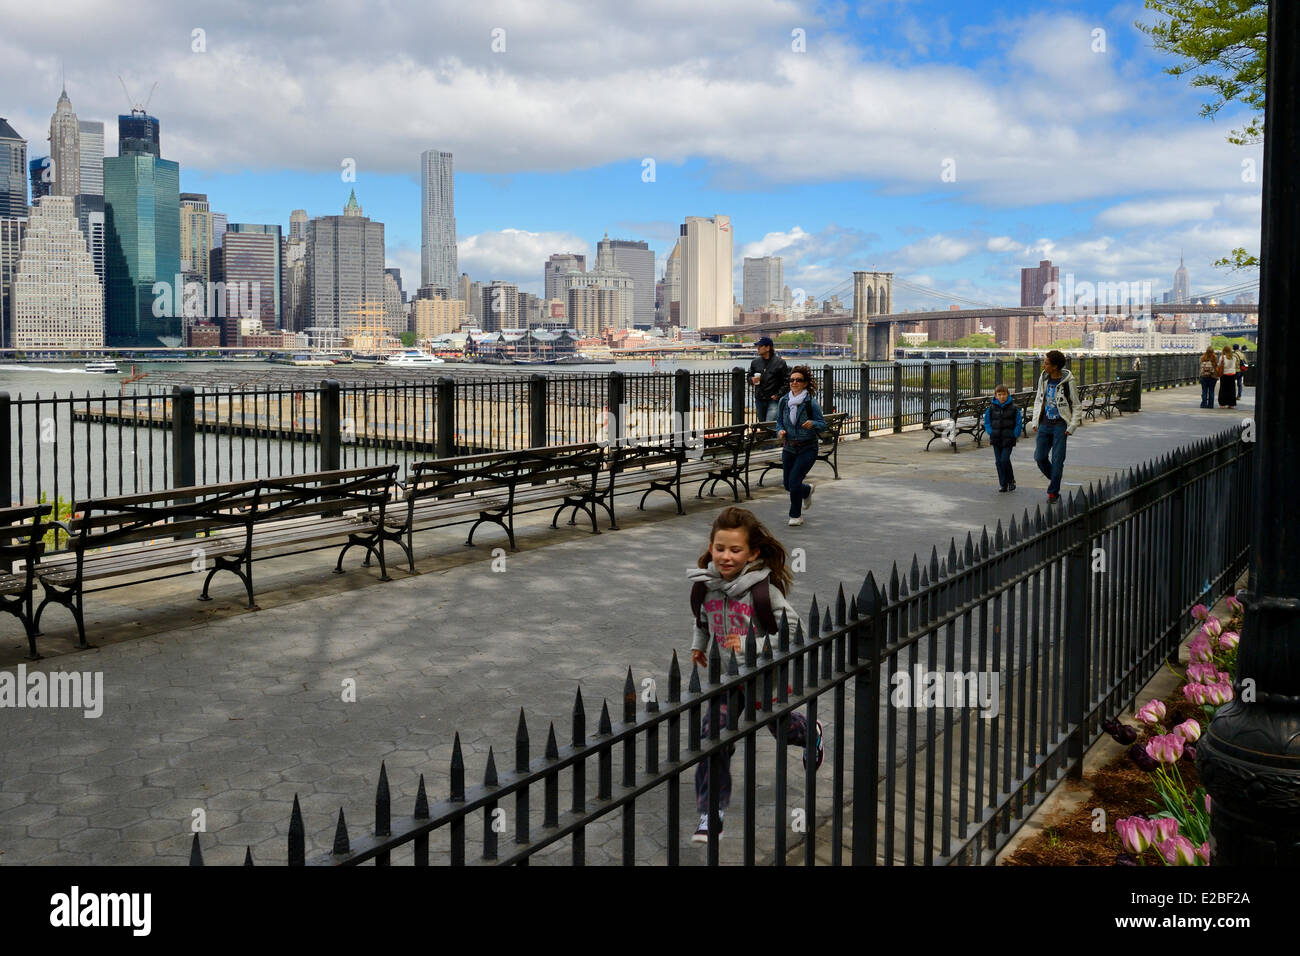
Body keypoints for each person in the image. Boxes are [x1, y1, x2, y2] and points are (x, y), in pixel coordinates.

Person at [687, 507, 823, 843]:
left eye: (735, 550)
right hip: (727, 681)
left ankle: (810, 733)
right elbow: (702, 620)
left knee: (781, 728)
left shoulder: (764, 591)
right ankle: (711, 813)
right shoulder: (707, 586)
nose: (726, 557)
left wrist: (756, 644)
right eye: (720, 548)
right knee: (713, 736)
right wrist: (698, 645)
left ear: (753, 553)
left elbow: (796, 628)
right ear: (711, 546)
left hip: (764, 680)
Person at [1025, 350, 1083, 505]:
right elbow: (1039, 400)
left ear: (1055, 366)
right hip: (1044, 424)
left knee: (1058, 460)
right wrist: (1035, 421)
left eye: (1046, 363)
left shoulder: (1068, 381)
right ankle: (1056, 478)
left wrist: (1072, 426)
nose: (1043, 365)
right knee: (1039, 457)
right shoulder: (1043, 378)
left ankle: (1053, 492)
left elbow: (1077, 405)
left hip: (1060, 426)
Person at [775, 365, 827, 527]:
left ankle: (795, 515)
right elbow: (779, 422)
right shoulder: (784, 401)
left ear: (805, 383)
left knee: (795, 482)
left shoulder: (810, 402)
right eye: (792, 380)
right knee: (788, 485)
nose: (794, 383)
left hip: (807, 448)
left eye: (799, 380)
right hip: (789, 447)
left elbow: (822, 424)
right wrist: (780, 431)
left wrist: (813, 423)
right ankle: (806, 490)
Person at [982, 383, 1023, 493]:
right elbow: (987, 422)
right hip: (996, 438)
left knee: (1004, 460)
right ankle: (1003, 484)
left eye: (1004, 394)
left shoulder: (1014, 409)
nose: (1001, 397)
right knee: (998, 462)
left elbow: (1019, 423)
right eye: (999, 394)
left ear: (1008, 395)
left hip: (1009, 438)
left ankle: (1011, 480)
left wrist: (1015, 434)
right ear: (995, 396)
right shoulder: (991, 409)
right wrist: (991, 432)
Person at [748, 337, 790, 426]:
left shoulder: (780, 362)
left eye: (760, 346)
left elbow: (787, 381)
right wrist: (752, 379)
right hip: (759, 398)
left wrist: (778, 395)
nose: (758, 348)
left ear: (768, 348)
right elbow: (749, 376)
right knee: (763, 425)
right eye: (757, 346)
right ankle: (769, 439)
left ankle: (772, 439)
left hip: (773, 399)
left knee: (769, 424)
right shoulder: (755, 362)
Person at [1217, 345, 1240, 409]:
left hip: (1224, 375)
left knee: (1223, 389)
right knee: (1232, 389)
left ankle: (1222, 403)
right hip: (1232, 374)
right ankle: (1231, 404)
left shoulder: (1222, 357)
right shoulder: (1234, 357)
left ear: (1224, 351)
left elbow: (1219, 365)